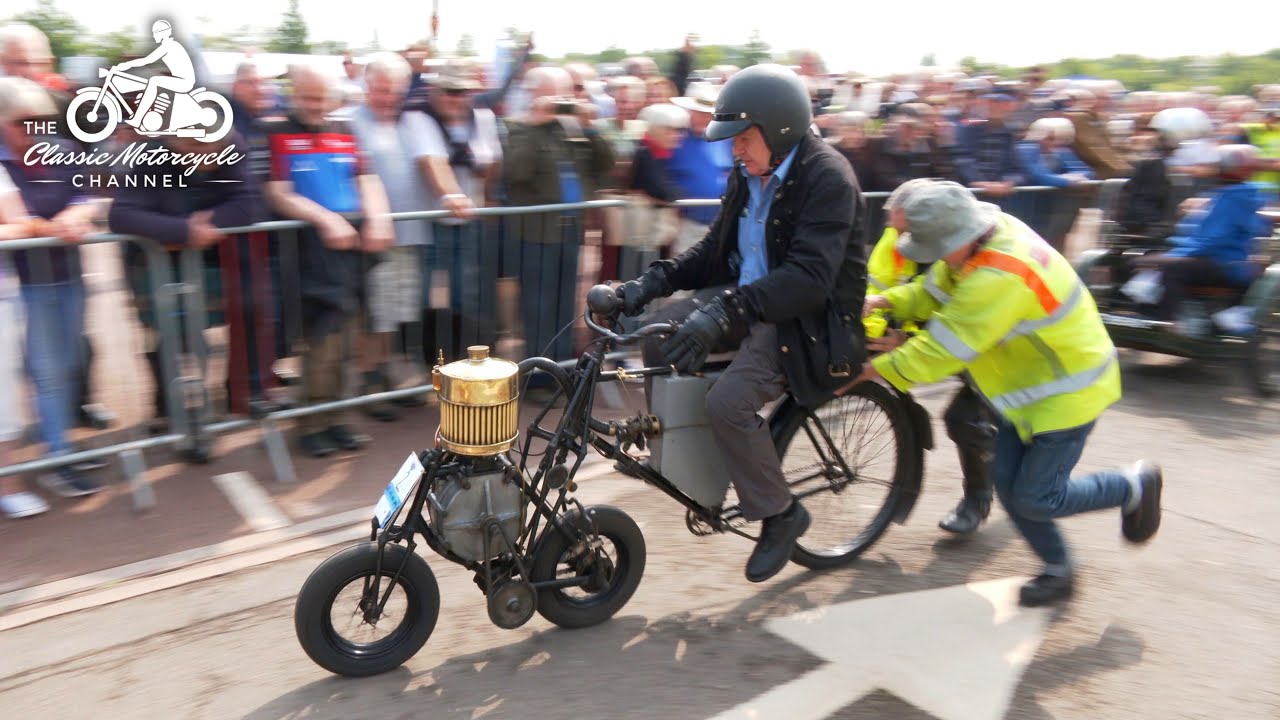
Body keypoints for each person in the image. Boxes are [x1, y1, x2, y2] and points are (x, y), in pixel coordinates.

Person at [854, 180, 1163, 607]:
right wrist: (884, 302)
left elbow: (944, 348)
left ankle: (1131, 485)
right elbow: (932, 294)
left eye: (937, 248)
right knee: (1007, 483)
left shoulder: (1000, 272)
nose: (935, 259)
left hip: (1067, 395)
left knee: (1038, 496)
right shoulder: (978, 243)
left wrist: (871, 370)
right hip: (1027, 392)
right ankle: (1059, 571)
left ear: (958, 236)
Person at [615, 64, 866, 583]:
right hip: (750, 297)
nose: (734, 151)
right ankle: (698, 463)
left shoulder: (828, 177)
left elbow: (809, 279)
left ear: (777, 130)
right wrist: (646, 286)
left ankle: (781, 513)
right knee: (660, 337)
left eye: (743, 139)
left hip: (804, 316)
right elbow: (715, 251)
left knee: (728, 402)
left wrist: (725, 312)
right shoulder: (751, 170)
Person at [256, 67, 395, 458]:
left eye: (322, 99)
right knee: (323, 343)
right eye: (309, 98)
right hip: (310, 253)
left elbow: (368, 179)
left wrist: (379, 217)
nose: (316, 107)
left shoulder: (344, 132)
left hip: (353, 252)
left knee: (349, 340)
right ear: (293, 95)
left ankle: (335, 418)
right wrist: (325, 218)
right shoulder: (275, 132)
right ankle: (311, 424)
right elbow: (278, 192)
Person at [865, 179, 997, 536]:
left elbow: (962, 330)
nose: (895, 235)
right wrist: (872, 330)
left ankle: (979, 498)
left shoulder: (966, 249)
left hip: (993, 346)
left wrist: (906, 341)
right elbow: (879, 289)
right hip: (941, 336)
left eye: (902, 227)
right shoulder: (897, 237)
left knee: (965, 417)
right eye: (892, 226)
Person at [1134, 145, 1270, 329]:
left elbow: (1213, 240)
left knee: (1172, 268)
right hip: (1207, 257)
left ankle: (1169, 320)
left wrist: (1177, 255)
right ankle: (1146, 314)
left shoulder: (1237, 198)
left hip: (1224, 263)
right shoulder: (1224, 195)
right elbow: (1198, 234)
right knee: (1144, 259)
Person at [117, 20, 195, 130]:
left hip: (184, 81)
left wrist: (126, 65)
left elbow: (147, 60)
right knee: (152, 82)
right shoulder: (169, 45)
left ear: (163, 32)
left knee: (154, 81)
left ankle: (138, 119)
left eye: (155, 32)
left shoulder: (168, 46)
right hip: (180, 80)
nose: (154, 35)